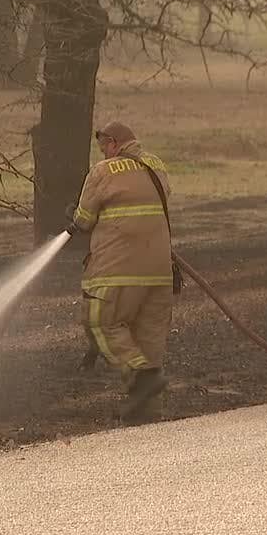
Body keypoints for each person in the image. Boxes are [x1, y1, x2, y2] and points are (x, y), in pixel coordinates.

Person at [65, 120, 176, 422]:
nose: (103, 155)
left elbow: (85, 219)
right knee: (148, 340)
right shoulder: (156, 166)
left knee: (100, 322)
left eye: (104, 149)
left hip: (117, 270)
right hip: (160, 271)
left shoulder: (103, 172)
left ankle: (141, 377)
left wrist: (73, 215)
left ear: (113, 143)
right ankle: (147, 413)